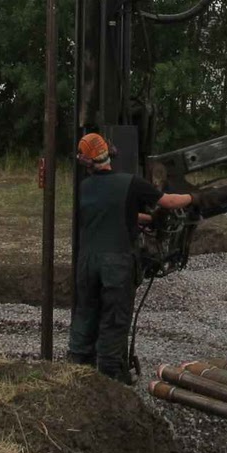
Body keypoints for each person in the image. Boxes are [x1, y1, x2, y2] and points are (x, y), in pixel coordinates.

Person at [66, 132, 194, 382]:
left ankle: (77, 367)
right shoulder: (130, 183)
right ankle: (111, 374)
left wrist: (147, 219)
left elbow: (113, 212)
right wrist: (195, 197)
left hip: (87, 261)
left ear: (86, 161)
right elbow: (168, 201)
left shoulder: (83, 187)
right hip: (116, 262)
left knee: (86, 312)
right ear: (110, 153)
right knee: (115, 317)